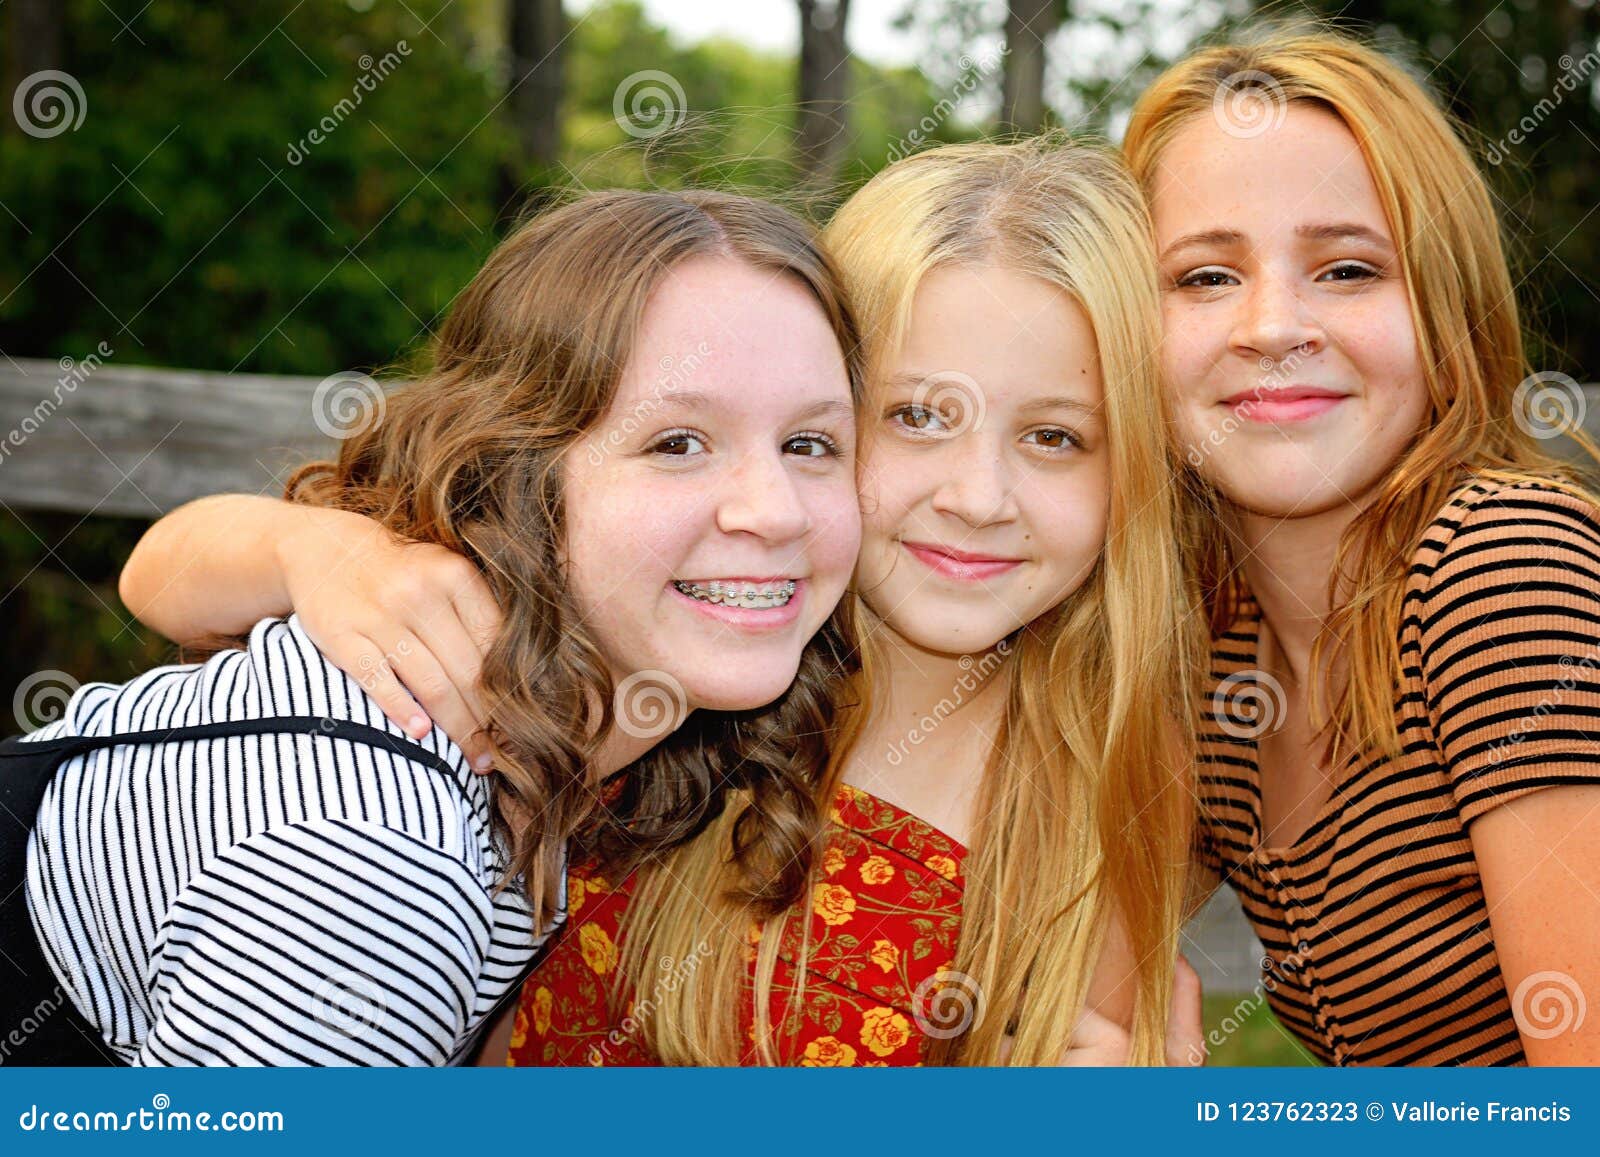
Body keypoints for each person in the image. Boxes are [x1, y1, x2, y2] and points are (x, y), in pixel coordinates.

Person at [4, 187, 864, 1065]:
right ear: (518, 469)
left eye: (810, 444)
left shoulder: (551, 722)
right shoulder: (373, 865)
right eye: (677, 442)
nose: (774, 511)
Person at [501, 138, 1206, 1067]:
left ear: (1131, 474)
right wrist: (277, 550)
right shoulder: (658, 650)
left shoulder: (1094, 800)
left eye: (1055, 435)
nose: (979, 496)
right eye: (916, 416)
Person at [1124, 22, 1600, 1064]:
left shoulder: (1500, 565)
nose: (1271, 325)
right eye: (1204, 278)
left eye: (1345, 269)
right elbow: (1057, 918)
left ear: (1446, 310)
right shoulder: (1219, 647)